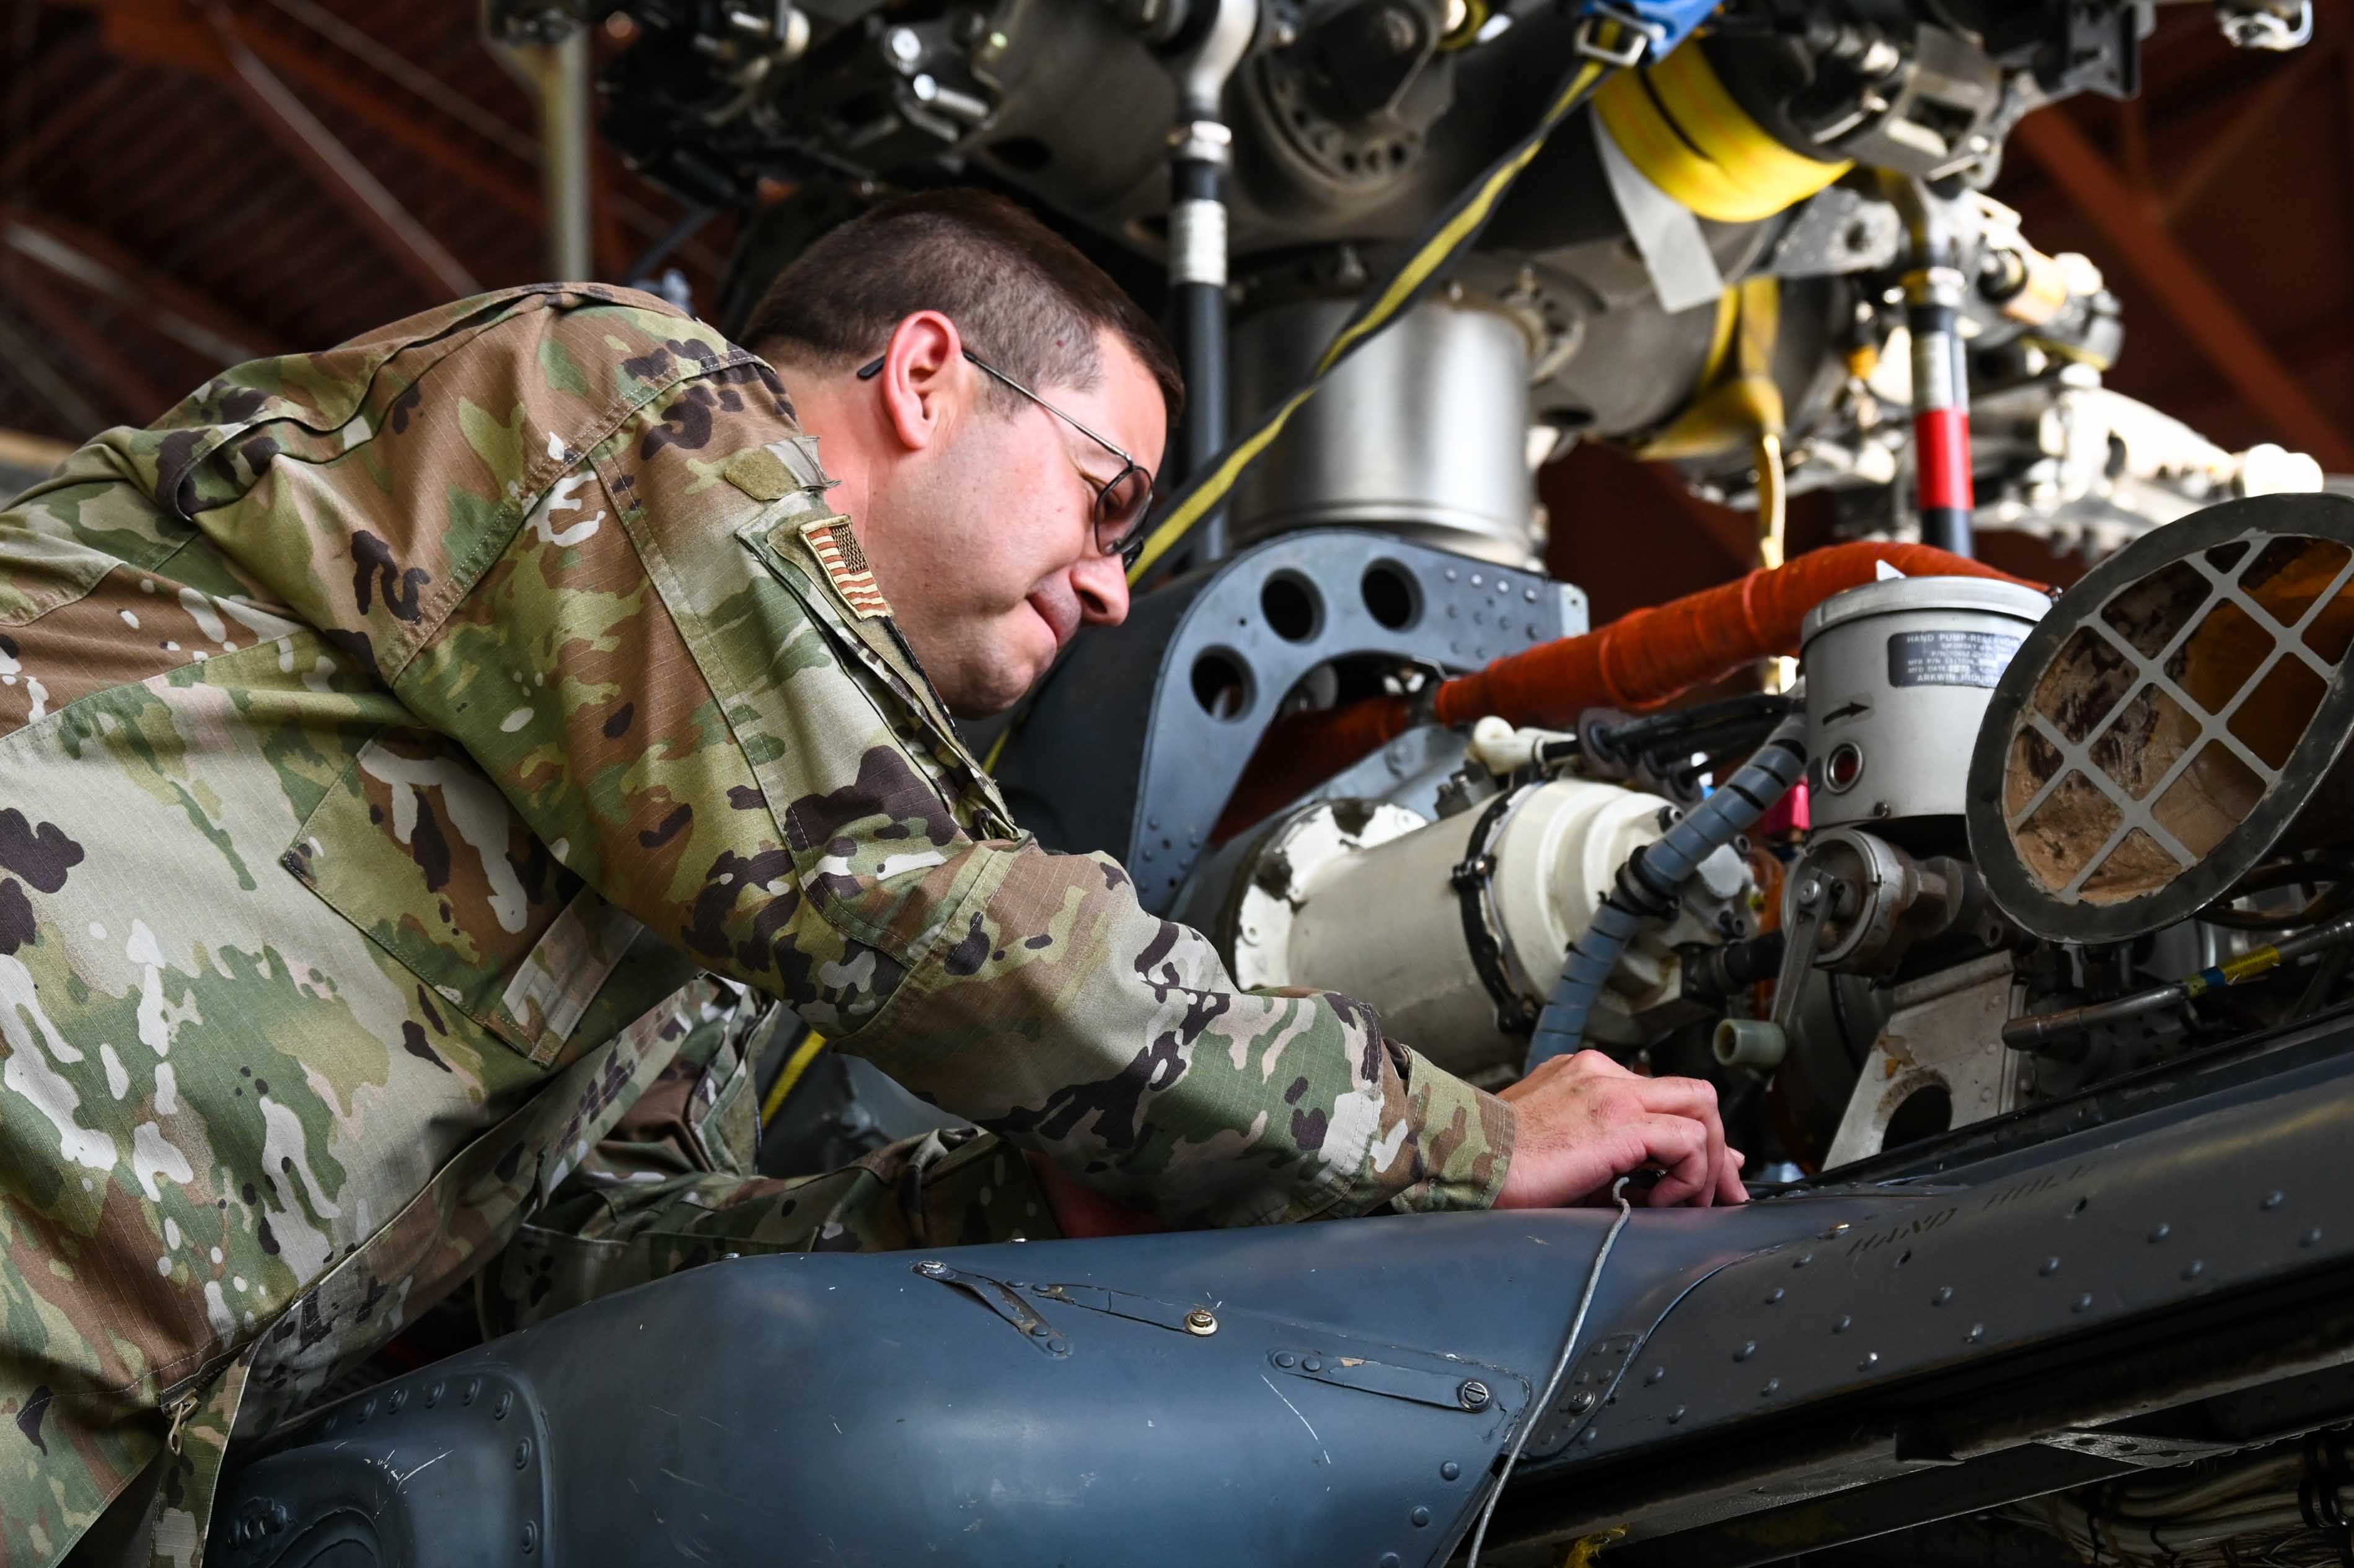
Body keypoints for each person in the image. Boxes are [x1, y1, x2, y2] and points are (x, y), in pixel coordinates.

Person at [0, 189, 1740, 1566]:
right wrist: (1464, 1138)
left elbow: (584, 1265)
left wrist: (1042, 1200)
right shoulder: (623, 400)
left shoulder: (676, 892)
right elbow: (909, 892)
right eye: (1107, 499)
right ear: (924, 377)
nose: (1114, 586)